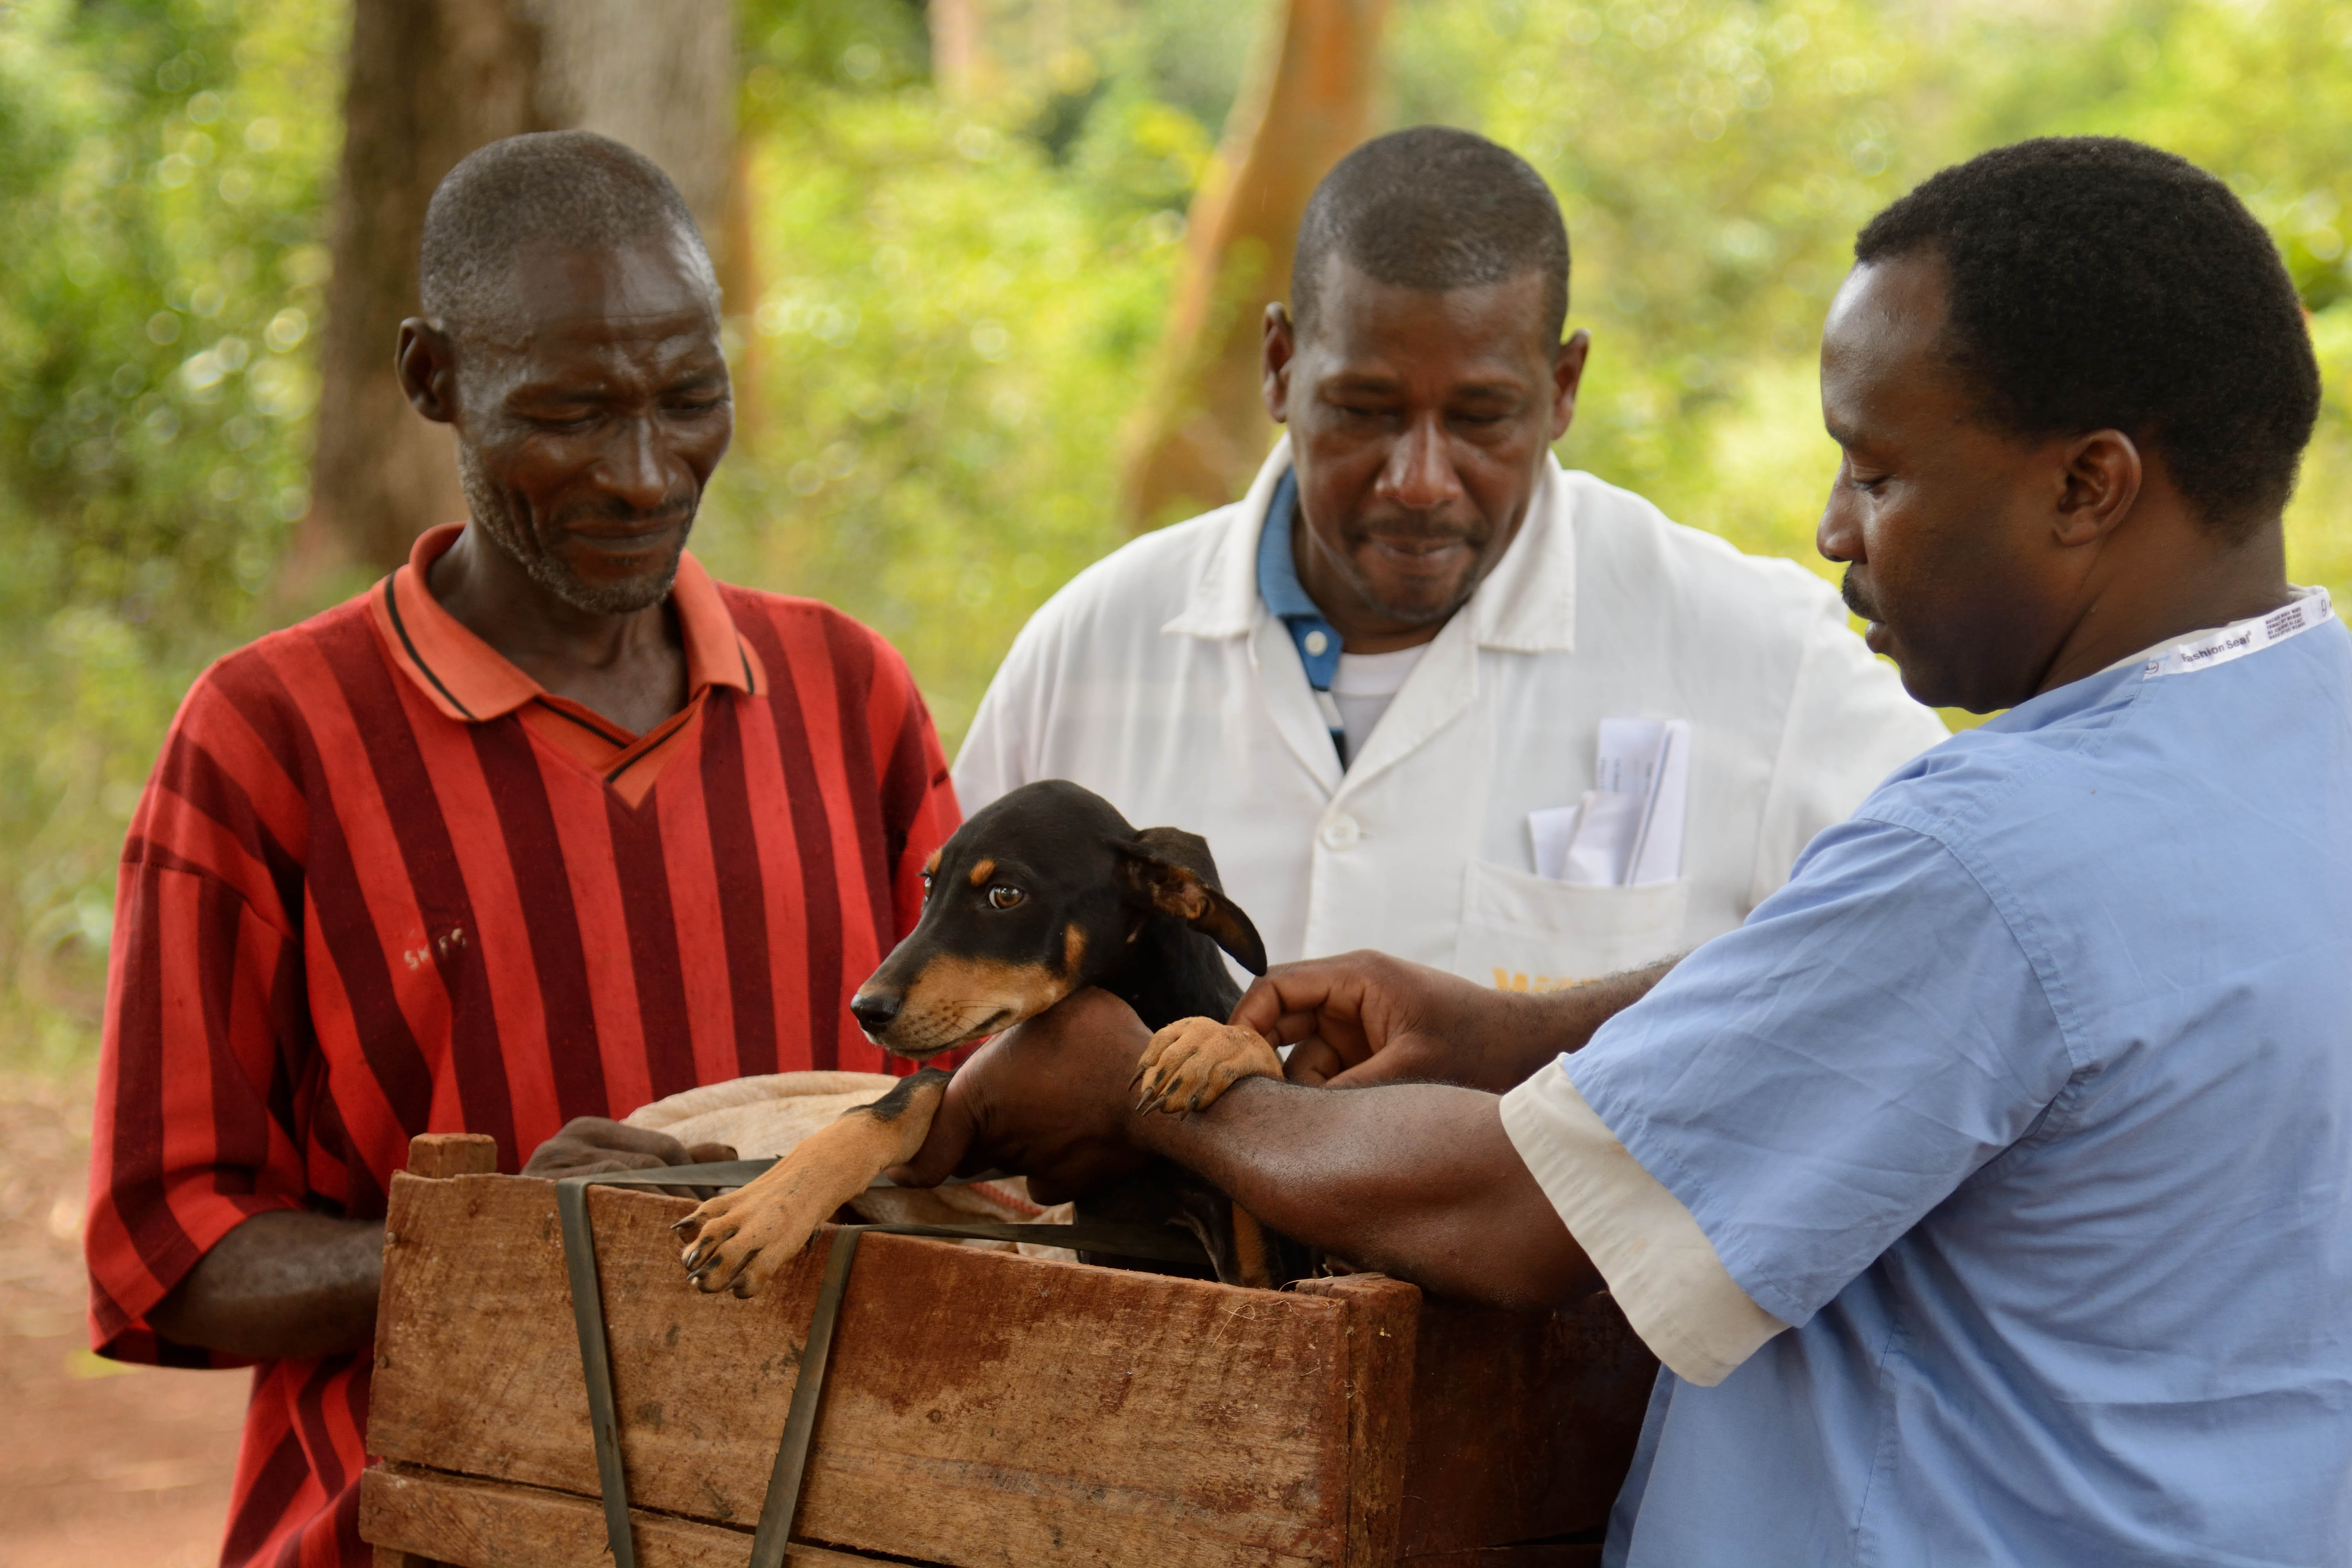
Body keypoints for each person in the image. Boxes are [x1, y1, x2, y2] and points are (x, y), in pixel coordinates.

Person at [897, 137, 2352, 1564]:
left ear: (2088, 486)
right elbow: (1884, 1009)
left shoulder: (1991, 852)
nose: (1835, 529)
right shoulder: (2309, 746)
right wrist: (1519, 1030)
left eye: (1880, 473)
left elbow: (1527, 1212)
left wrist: (1154, 1096)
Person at [81, 133, 958, 1568]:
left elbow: (967, 1109)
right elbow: (171, 1246)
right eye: (569, 414)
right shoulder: (269, 738)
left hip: (826, 1520)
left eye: (691, 399)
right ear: (434, 380)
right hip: (412, 1532)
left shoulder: (850, 696)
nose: (642, 470)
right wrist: (515, 1242)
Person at [955, 127, 1948, 993]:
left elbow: (1956, 960)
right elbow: (933, 1000)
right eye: (1364, 411)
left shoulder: (1764, 662)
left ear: (1562, 387)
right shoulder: (1088, 653)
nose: (1421, 479)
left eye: (1481, 417)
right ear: (1279, 366)